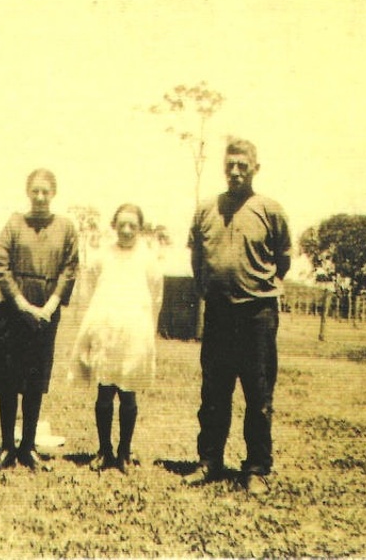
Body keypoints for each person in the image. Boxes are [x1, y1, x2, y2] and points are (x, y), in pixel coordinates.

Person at [185, 137, 291, 494]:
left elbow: (284, 260)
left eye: (242, 165)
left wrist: (264, 289)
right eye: (229, 165)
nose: (235, 171)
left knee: (258, 397)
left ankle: (257, 468)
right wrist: (206, 290)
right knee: (214, 394)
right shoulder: (205, 209)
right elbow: (197, 256)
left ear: (255, 168)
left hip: (257, 317)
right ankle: (209, 462)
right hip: (218, 315)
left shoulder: (270, 210)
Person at [0, 168, 78, 472]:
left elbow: (70, 269)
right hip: (15, 314)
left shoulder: (66, 227)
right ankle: (7, 447)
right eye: (35, 191)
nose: (41, 197)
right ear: (28, 192)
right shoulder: (15, 223)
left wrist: (50, 306)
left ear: (53, 193)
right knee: (9, 380)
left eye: (46, 192)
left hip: (46, 314)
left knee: (35, 380)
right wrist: (24, 305)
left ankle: (28, 447)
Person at [72, 204, 163, 473]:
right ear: (114, 225)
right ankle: (104, 450)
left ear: (140, 228)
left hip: (134, 332)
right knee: (104, 392)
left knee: (128, 394)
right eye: (121, 224)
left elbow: (156, 296)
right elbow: (88, 293)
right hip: (105, 330)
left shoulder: (148, 258)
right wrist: (91, 329)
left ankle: (124, 451)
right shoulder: (102, 256)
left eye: (132, 226)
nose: (126, 230)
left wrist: (149, 330)